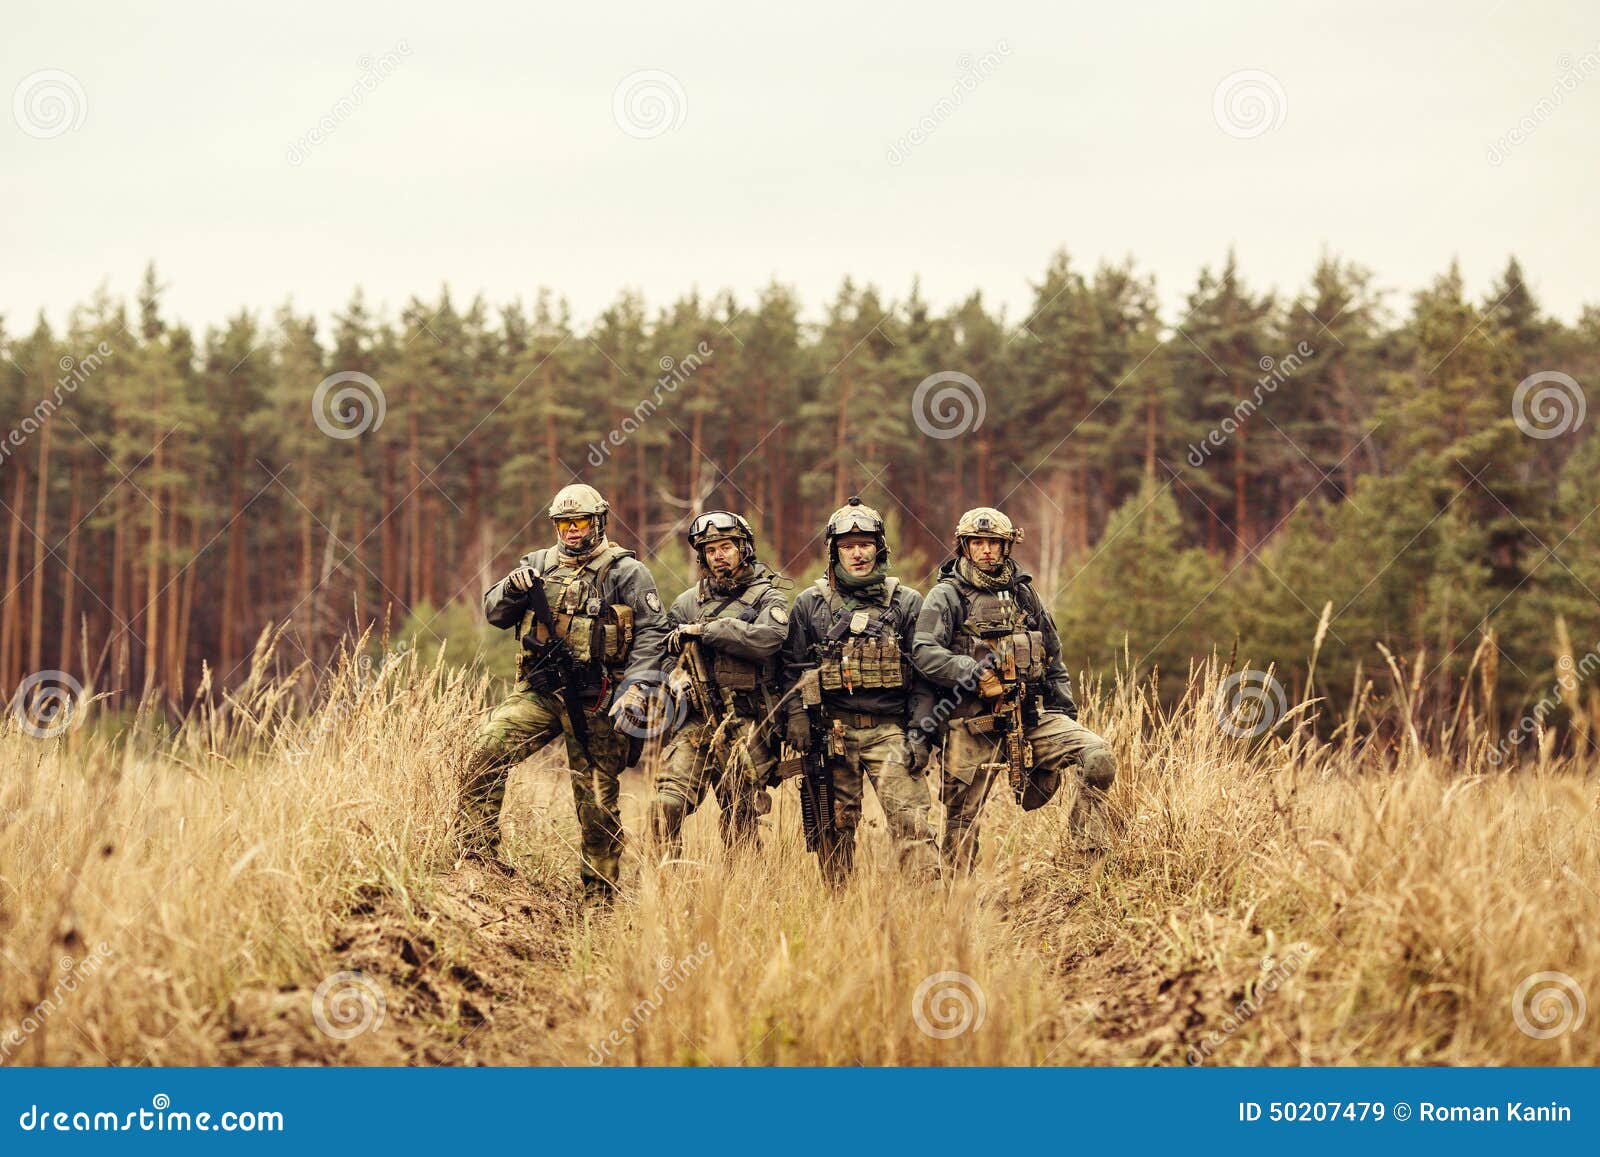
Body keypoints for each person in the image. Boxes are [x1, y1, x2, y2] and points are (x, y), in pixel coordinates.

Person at [459, 483, 667, 902]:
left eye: (580, 522)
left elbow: (653, 632)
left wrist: (636, 687)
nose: (572, 531)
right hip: (541, 693)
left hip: (598, 700)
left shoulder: (625, 571)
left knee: (595, 802)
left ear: (598, 521)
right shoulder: (536, 565)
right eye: (564, 523)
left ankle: (599, 894)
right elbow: (494, 613)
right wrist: (512, 588)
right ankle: (477, 859)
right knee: (484, 751)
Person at [911, 506, 1115, 874]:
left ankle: (1087, 861)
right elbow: (923, 652)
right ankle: (958, 903)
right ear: (964, 547)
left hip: (1029, 716)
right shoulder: (947, 595)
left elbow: (1053, 657)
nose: (986, 550)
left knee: (1098, 756)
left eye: (994, 542)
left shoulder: (1024, 595)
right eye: (978, 542)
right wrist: (974, 674)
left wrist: (1064, 715)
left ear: (1006, 547)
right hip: (972, 724)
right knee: (962, 821)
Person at [780, 496, 937, 884]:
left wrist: (920, 733)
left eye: (865, 544)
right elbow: (792, 668)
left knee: (913, 824)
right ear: (834, 553)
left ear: (879, 548)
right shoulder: (810, 604)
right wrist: (798, 717)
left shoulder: (906, 602)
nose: (857, 554)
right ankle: (840, 911)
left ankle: (928, 911)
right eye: (847, 547)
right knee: (833, 828)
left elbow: (924, 675)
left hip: (890, 731)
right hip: (831, 733)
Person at [650, 511, 789, 858]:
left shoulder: (768, 598)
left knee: (740, 818)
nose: (718, 555)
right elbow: (663, 653)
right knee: (665, 807)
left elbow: (768, 639)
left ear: (744, 548)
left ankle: (741, 895)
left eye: (726, 546)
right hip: (697, 722)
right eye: (710, 550)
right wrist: (673, 680)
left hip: (748, 721)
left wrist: (709, 630)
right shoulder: (687, 602)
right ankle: (670, 884)